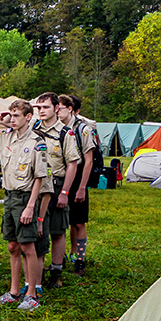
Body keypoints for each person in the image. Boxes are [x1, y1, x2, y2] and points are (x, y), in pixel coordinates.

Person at [0, 102, 49, 312]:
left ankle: (32, 294)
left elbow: (39, 177)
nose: (12, 118)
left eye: (16, 115)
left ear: (28, 117)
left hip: (25, 196)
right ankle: (14, 291)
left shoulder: (37, 142)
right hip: (9, 196)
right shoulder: (5, 137)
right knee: (12, 246)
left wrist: (30, 207)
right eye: (11, 114)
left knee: (28, 246)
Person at [32, 93, 81, 289]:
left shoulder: (65, 133)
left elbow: (72, 164)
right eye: (38, 108)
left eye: (45, 107)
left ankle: (56, 271)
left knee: (58, 230)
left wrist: (65, 192)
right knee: (38, 229)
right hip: (38, 184)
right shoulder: (33, 130)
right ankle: (37, 270)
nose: (41, 111)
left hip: (57, 184)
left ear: (56, 109)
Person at [61, 95, 96, 276]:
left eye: (61, 108)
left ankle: (80, 259)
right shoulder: (57, 128)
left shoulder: (83, 129)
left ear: (72, 110)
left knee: (79, 221)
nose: (58, 111)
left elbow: (88, 160)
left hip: (78, 177)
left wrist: (82, 186)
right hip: (62, 176)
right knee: (67, 221)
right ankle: (69, 253)